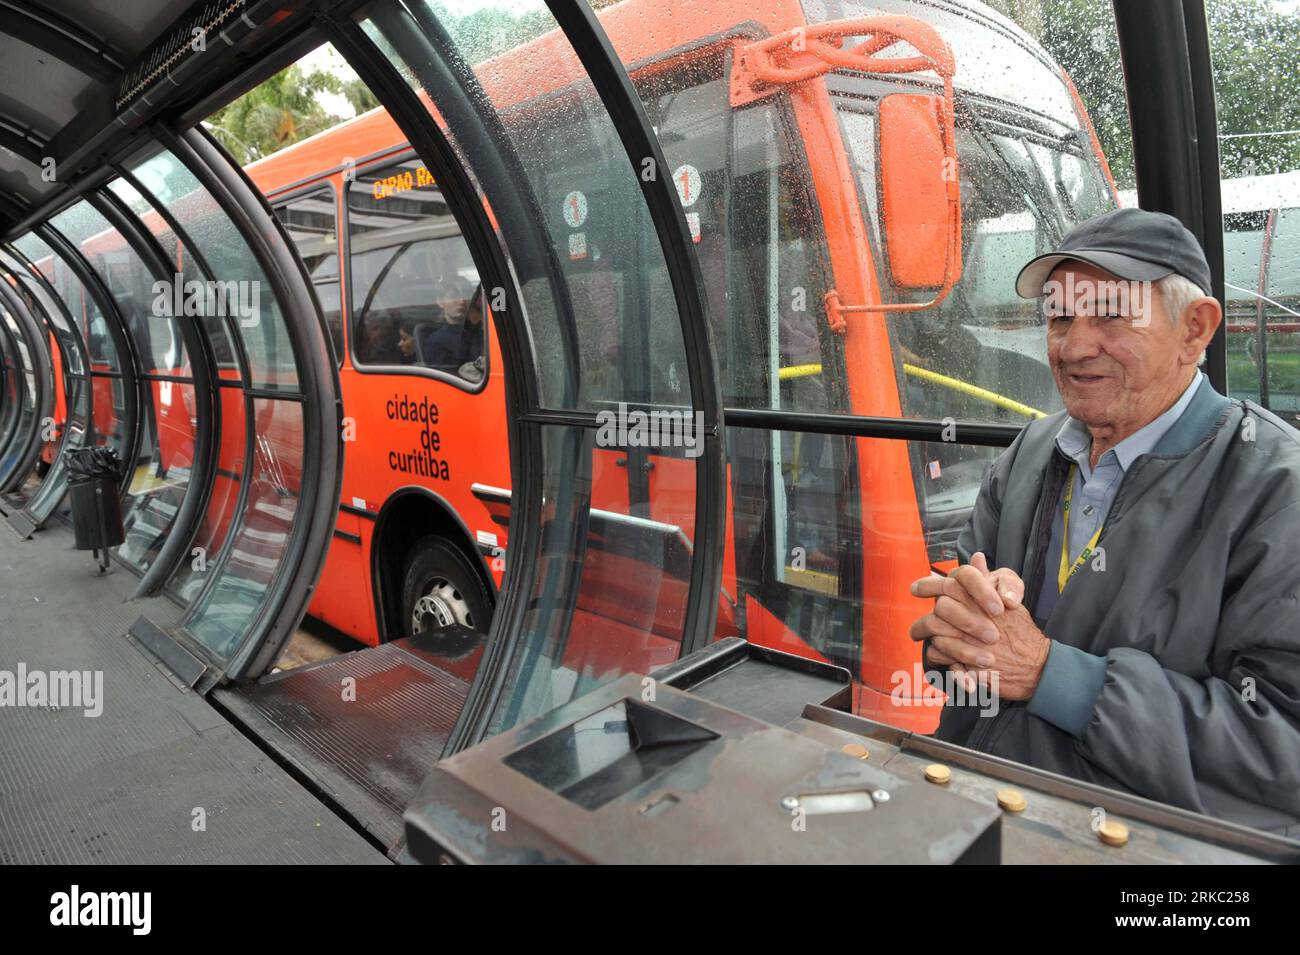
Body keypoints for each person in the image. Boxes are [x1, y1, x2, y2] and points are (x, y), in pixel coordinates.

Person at [907, 208, 1300, 835]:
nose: (1073, 345)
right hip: (973, 808)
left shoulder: (1278, 491)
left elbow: (1283, 750)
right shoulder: (1029, 455)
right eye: (1060, 316)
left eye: (1110, 314)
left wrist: (1047, 674)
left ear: (1195, 330)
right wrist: (957, 630)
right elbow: (955, 655)